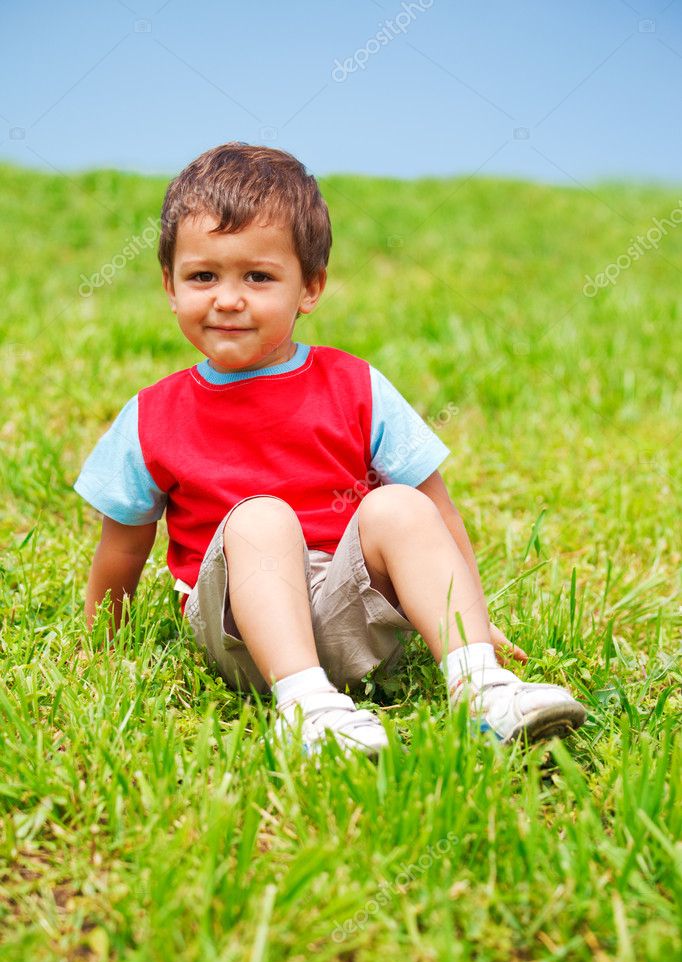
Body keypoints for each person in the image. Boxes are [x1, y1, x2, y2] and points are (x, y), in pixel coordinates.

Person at [75, 142, 586, 758]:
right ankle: (306, 710)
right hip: (241, 633)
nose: (228, 299)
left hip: (352, 617)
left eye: (258, 277)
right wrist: (103, 647)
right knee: (262, 516)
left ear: (310, 288)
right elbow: (123, 545)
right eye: (203, 276)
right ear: (170, 285)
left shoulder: (356, 385)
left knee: (398, 504)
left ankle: (481, 689)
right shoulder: (153, 415)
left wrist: (471, 620)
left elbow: (436, 513)